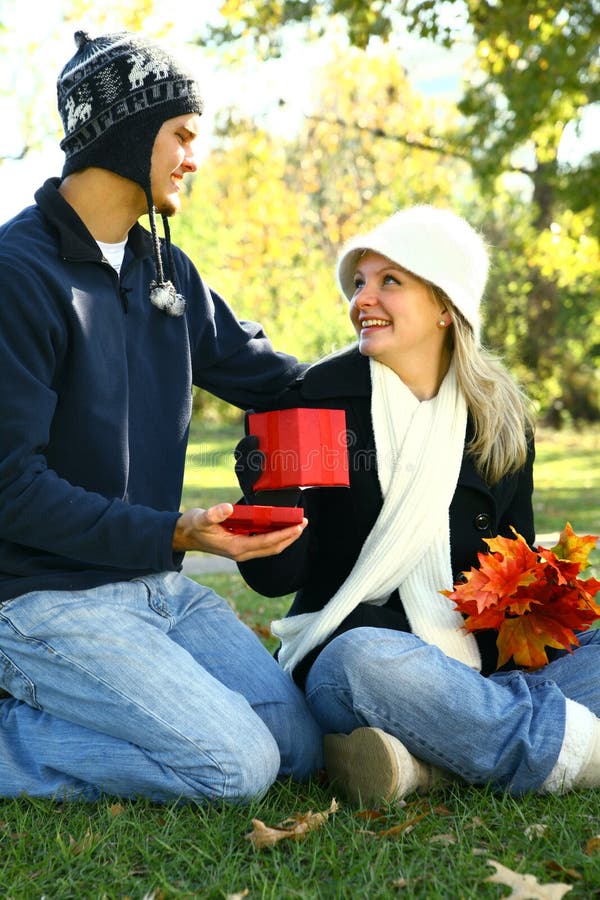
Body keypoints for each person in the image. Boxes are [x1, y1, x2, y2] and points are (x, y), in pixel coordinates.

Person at [0, 29, 323, 802]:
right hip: (41, 600)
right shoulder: (19, 276)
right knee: (235, 767)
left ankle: (101, 703)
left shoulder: (165, 270)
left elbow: (270, 376)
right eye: (181, 134)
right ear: (126, 132)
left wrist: (396, 362)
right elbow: (10, 487)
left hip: (157, 591)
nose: (193, 155)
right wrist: (174, 529)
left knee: (296, 746)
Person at [236, 204, 600, 804]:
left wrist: (552, 615)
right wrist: (269, 485)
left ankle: (425, 765)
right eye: (359, 283)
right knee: (364, 661)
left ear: (443, 306)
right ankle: (552, 748)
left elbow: (514, 585)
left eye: (389, 282)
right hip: (361, 658)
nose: (363, 300)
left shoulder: (499, 420)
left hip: (474, 664)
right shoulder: (318, 400)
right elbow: (276, 578)